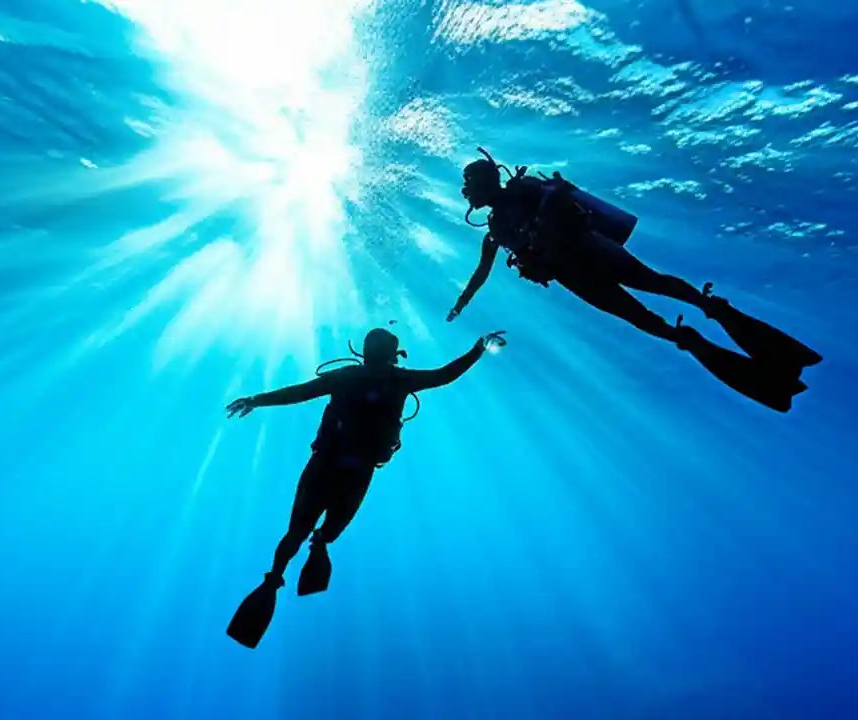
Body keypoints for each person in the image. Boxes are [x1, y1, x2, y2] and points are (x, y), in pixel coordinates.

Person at [448, 147, 821, 412]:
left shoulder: (524, 190)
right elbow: (482, 271)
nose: (467, 192)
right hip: (573, 274)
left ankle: (711, 311)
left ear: (486, 180)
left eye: (470, 183)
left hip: (590, 251)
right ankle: (690, 337)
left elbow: (559, 197)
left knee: (652, 282)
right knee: (638, 316)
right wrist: (462, 302)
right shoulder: (496, 228)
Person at [224, 327, 507, 648]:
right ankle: (307, 553)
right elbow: (446, 374)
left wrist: (256, 400)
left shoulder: (349, 376)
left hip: (328, 465)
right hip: (353, 468)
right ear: (393, 353)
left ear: (365, 351)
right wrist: (478, 347)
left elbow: (299, 392)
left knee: (300, 531)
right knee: (322, 530)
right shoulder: (397, 379)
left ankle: (282, 571)